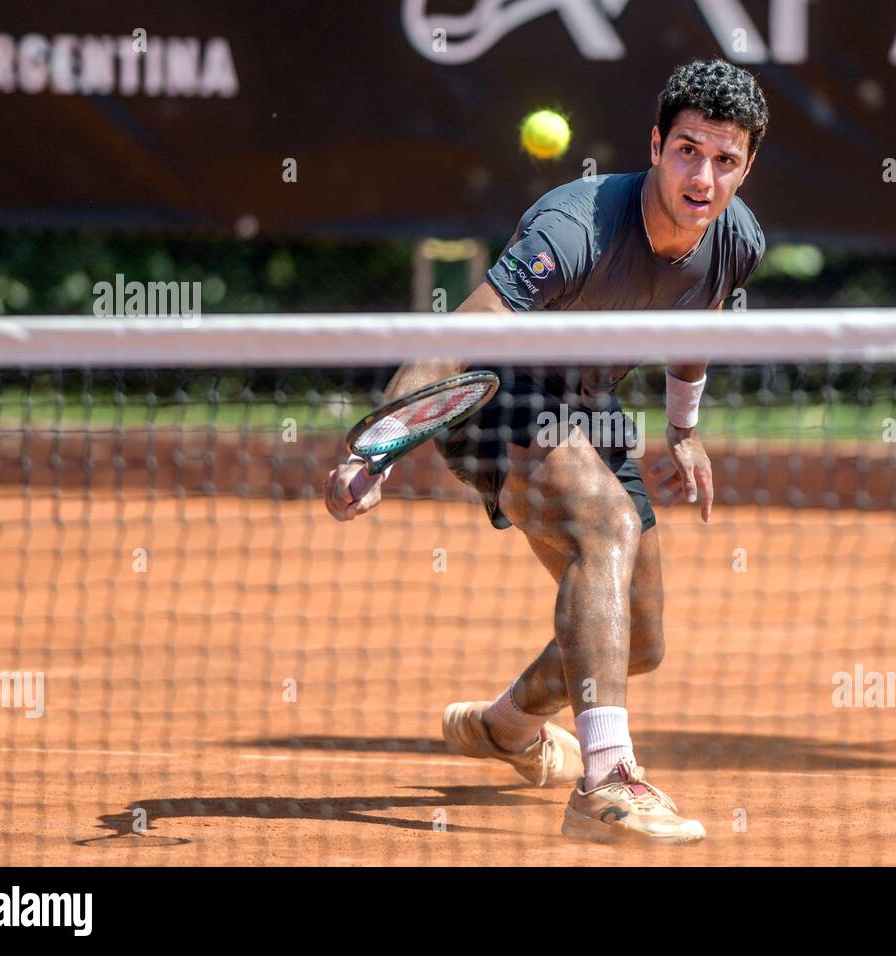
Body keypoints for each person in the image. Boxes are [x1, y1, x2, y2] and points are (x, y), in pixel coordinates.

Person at [325, 58, 767, 844]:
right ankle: (607, 781)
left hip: (589, 409)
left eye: (725, 159)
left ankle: (502, 727)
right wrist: (376, 449)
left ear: (746, 164)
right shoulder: (577, 227)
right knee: (606, 531)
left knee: (643, 637)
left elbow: (697, 322)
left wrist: (684, 428)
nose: (703, 176)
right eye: (688, 152)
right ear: (656, 144)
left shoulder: (735, 239)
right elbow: (462, 332)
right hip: (499, 398)